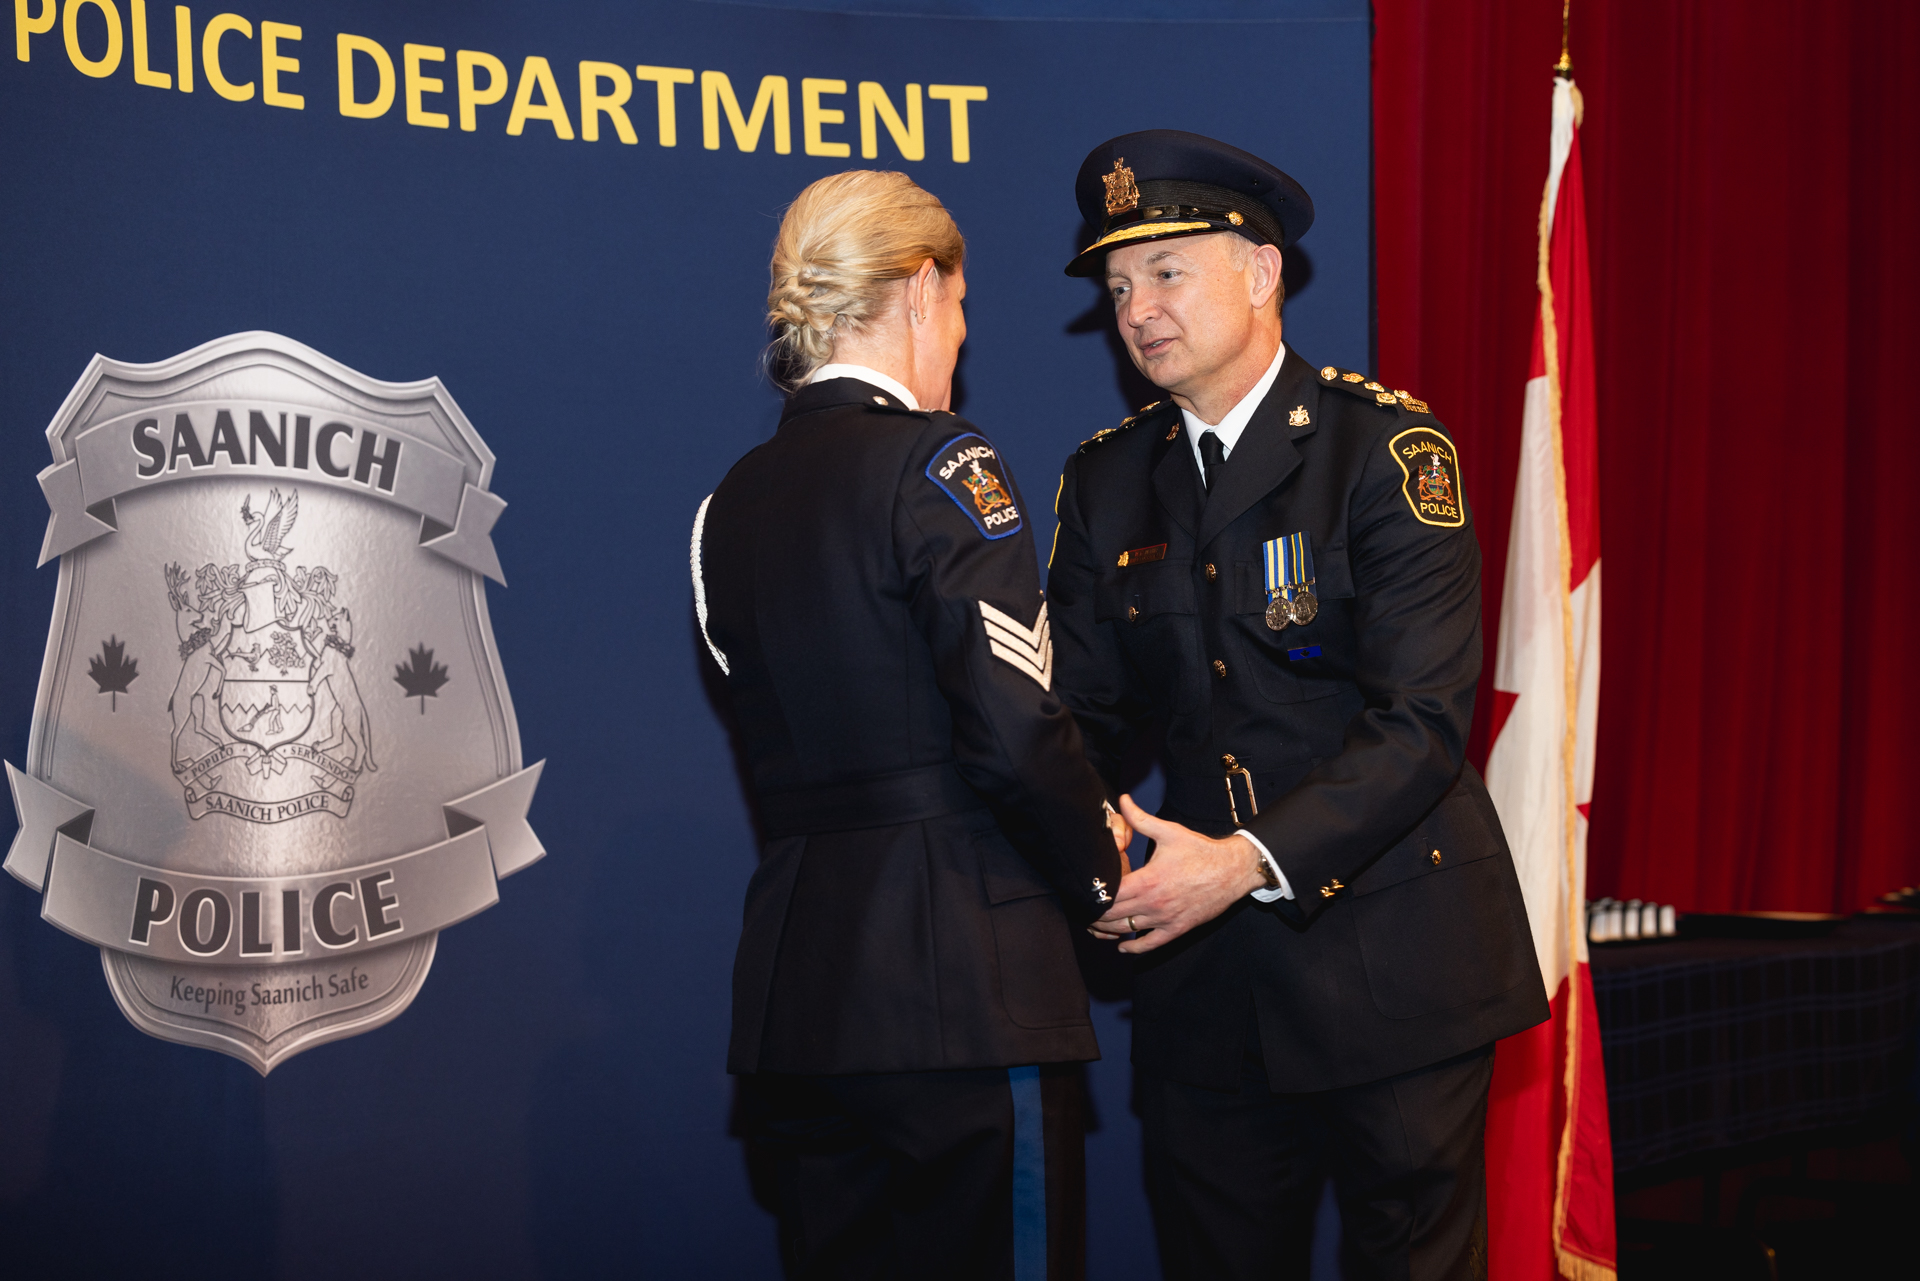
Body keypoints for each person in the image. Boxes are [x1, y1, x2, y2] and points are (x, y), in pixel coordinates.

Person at [1046, 130, 1549, 1281]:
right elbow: (1082, 714)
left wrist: (1239, 862)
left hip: (1394, 961)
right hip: (1204, 986)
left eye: (1167, 272)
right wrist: (1099, 843)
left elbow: (1420, 722)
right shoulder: (1106, 481)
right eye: (1119, 286)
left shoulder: (1385, 450)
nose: (1138, 310)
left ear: (1260, 273)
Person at [694, 170, 1129, 1281]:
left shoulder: (723, 509)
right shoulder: (947, 465)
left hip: (801, 1001)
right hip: (967, 993)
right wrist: (1097, 871)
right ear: (923, 290)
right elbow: (1016, 727)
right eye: (966, 304)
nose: (963, 335)